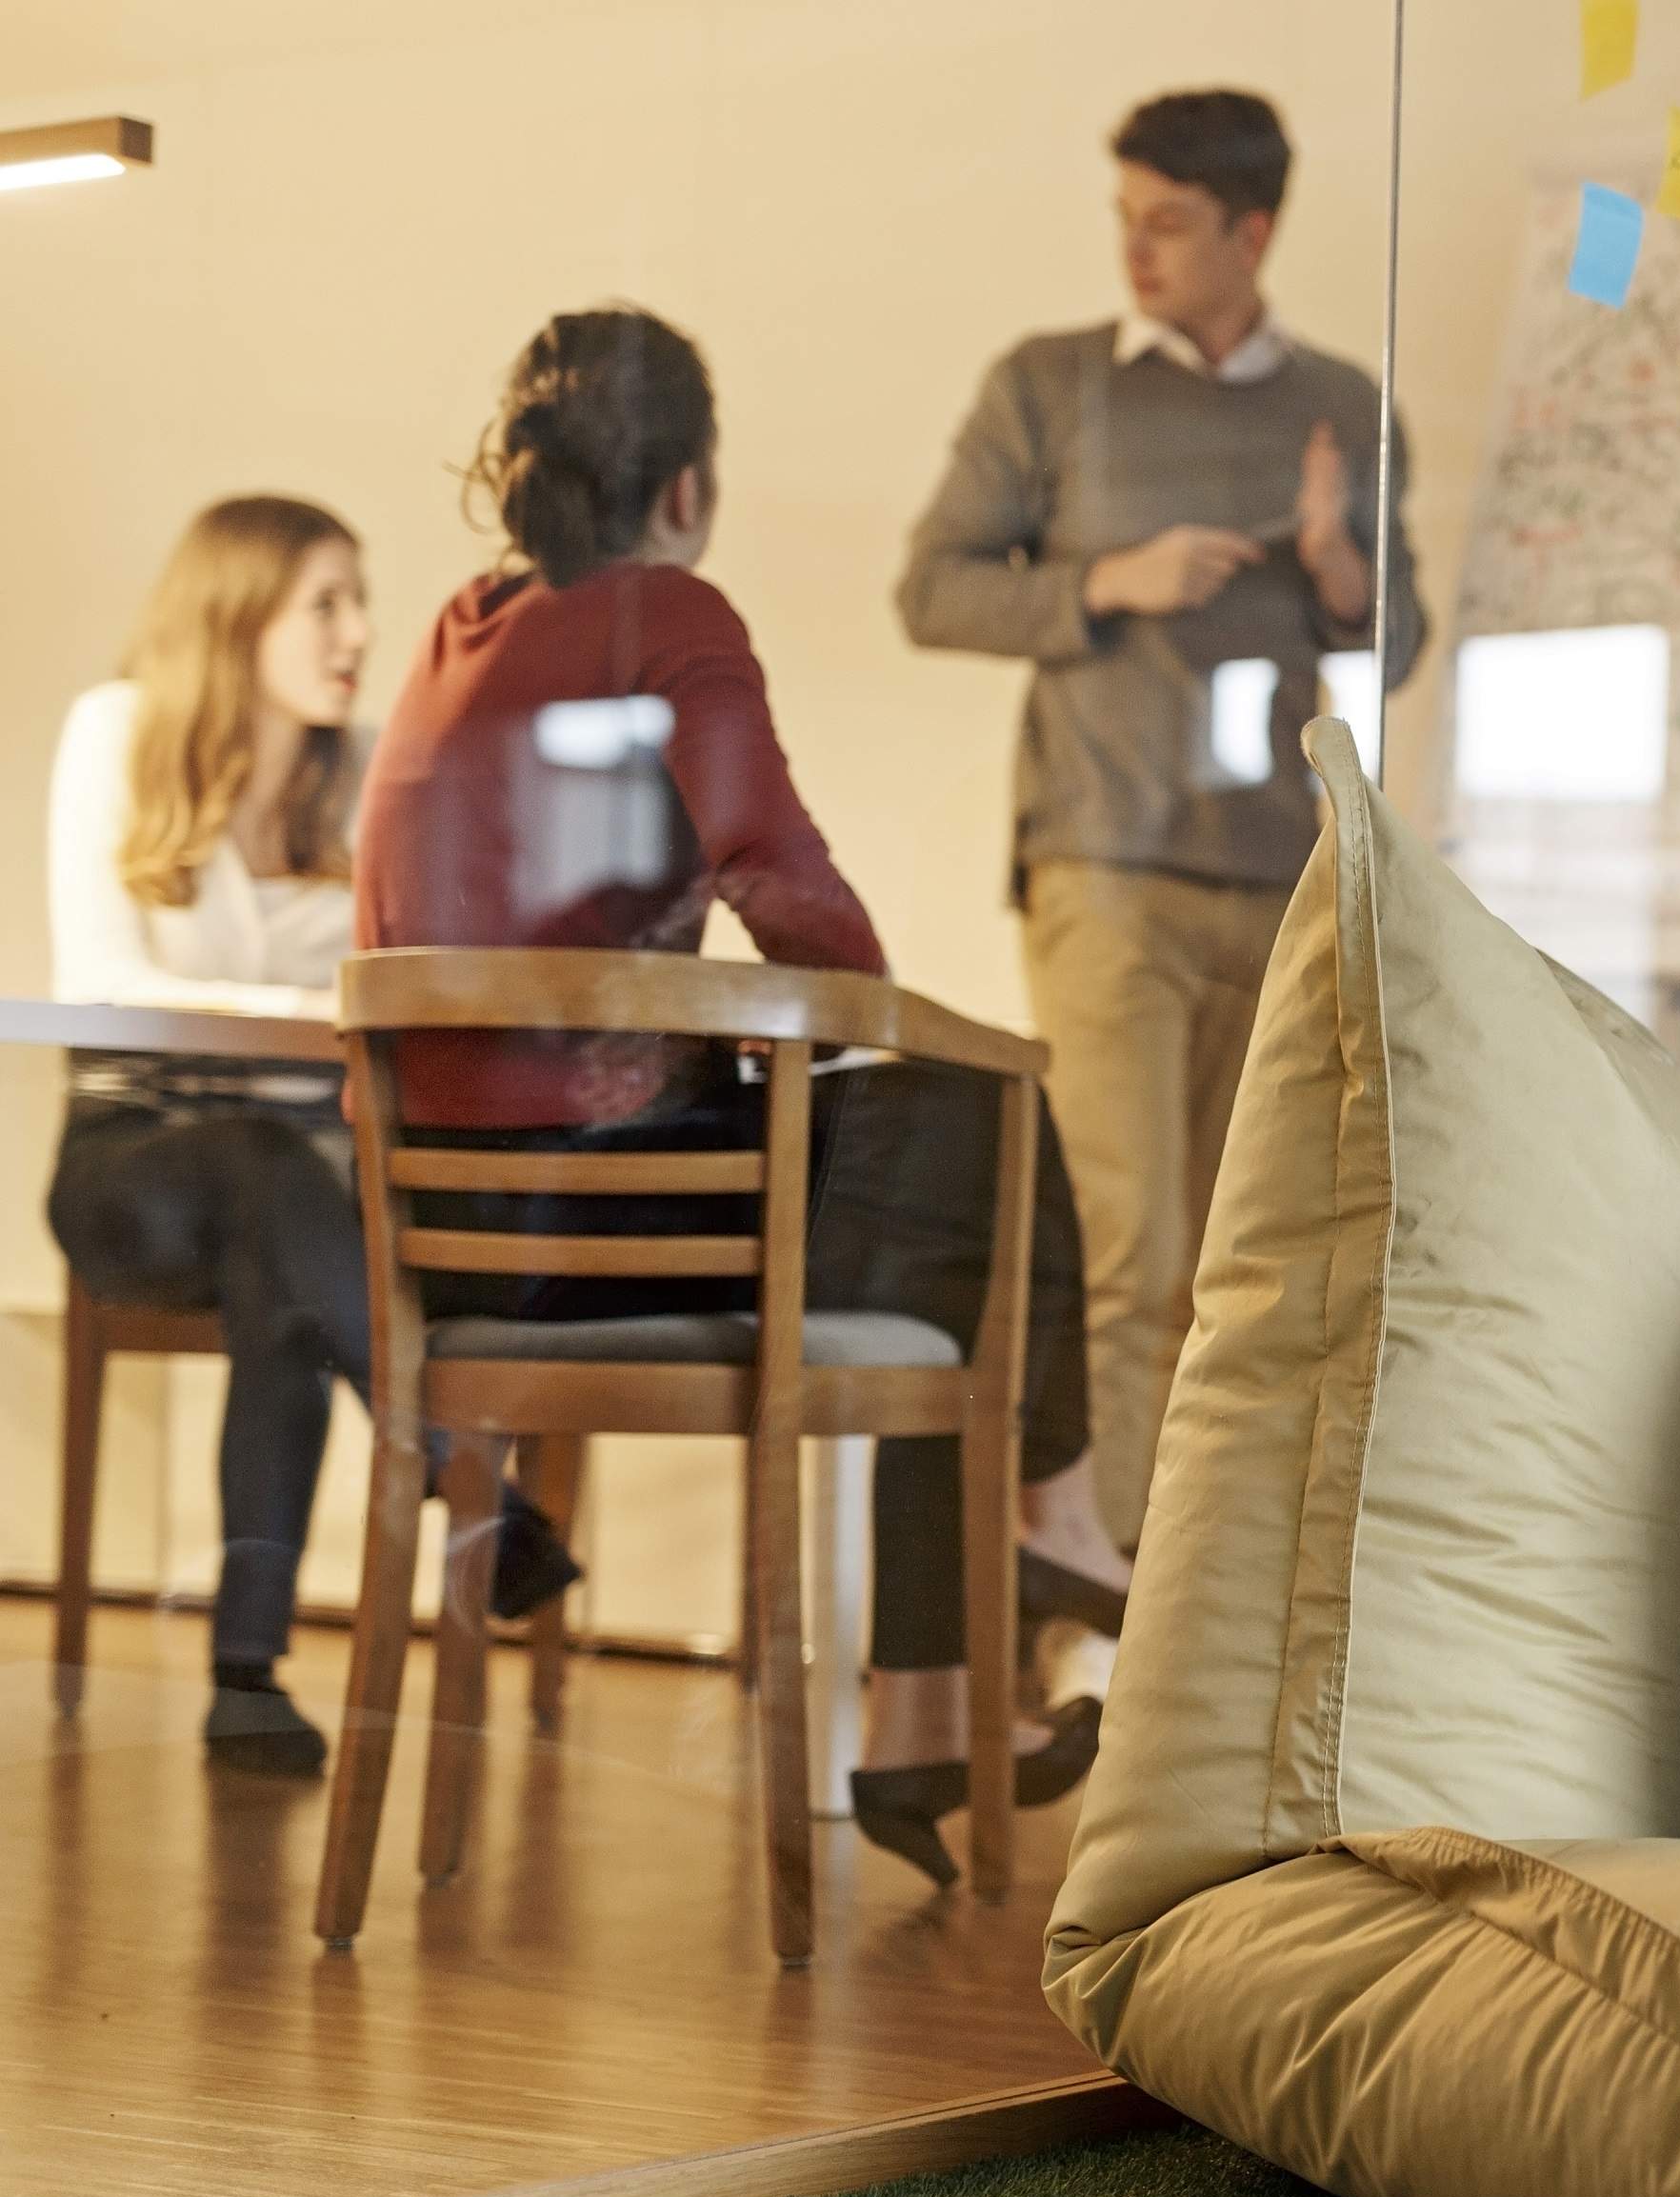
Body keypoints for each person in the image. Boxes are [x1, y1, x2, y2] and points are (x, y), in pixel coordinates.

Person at [355, 306, 1136, 1887]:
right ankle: (1036, 1547)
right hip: (597, 1231)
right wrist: (883, 1016)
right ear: (689, 488)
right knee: (978, 1112)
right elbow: (785, 885)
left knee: (944, 1182)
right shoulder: (669, 612)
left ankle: (941, 1693)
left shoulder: (456, 631)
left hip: (456, 1240)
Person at [897, 87, 1427, 1572]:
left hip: (1273, 878)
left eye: (1172, 225)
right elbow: (932, 591)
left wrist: (1336, 566)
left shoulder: (1343, 403)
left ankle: (1185, 1592)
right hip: (1105, 865)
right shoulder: (1052, 384)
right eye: (1126, 219)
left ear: (1254, 232)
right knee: (1125, 1253)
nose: (1137, 251)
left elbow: (1402, 638)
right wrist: (1103, 583)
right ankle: (1101, 1595)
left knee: (1233, 1265)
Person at [45, 495, 575, 1778]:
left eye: (360, 601)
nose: (359, 632)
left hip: (295, 1188)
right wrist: (324, 1015)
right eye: (325, 603)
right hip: (134, 1166)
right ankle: (466, 1479)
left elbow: (428, 981)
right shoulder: (117, 731)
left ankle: (248, 1684)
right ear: (236, 615)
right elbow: (105, 980)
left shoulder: (375, 772)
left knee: (285, 1246)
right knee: (275, 1185)